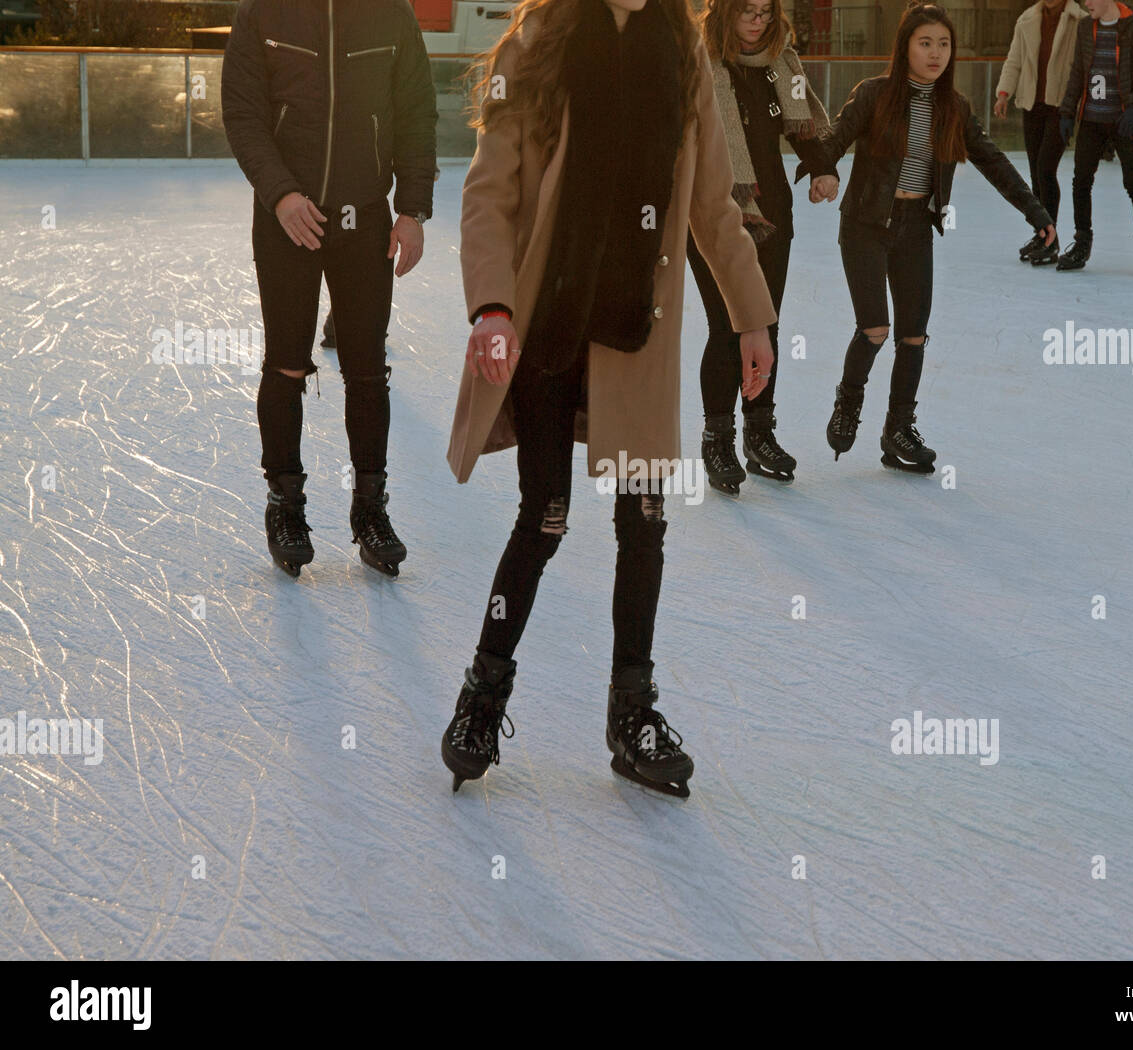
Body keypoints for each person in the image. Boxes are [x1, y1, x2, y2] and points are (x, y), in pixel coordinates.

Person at [441, 0, 778, 799]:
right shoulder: (539, 43)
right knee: (545, 516)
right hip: (549, 320)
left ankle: (633, 715)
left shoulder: (683, 55)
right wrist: (491, 306)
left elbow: (712, 204)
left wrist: (753, 317)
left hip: (636, 330)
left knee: (644, 519)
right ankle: (481, 697)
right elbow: (489, 192)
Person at [222, 0, 438, 578]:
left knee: (367, 368)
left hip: (364, 216)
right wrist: (282, 195)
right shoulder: (264, 13)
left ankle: (370, 507)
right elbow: (244, 115)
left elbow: (417, 110)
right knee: (287, 363)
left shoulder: (391, 12)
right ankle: (285, 505)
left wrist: (413, 208)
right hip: (288, 219)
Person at [812, 3, 1054, 474]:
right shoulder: (874, 94)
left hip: (916, 228)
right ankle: (849, 403)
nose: (935, 52)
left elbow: (993, 161)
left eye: (943, 44)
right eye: (925, 42)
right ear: (904, 47)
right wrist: (824, 170)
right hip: (865, 223)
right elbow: (835, 137)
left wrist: (1035, 211)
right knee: (874, 330)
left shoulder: (954, 108)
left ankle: (898, 429)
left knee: (914, 336)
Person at [688, 0, 838, 495]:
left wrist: (822, 167)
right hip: (713, 214)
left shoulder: (784, 65)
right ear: (723, 13)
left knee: (766, 324)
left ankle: (759, 433)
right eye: (747, 11)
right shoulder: (697, 64)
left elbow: (805, 128)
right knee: (726, 325)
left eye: (766, 12)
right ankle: (717, 438)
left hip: (771, 213)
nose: (757, 21)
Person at [1057, 0, 1133, 274]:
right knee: (1081, 180)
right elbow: (1078, 72)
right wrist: (1067, 111)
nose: (1086, 3)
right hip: (1091, 119)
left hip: (1123, 119)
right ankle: (1082, 242)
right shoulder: (1085, 27)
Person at [994, 0, 1087, 266]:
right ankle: (1042, 233)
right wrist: (1003, 94)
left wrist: (1080, 105)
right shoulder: (1027, 19)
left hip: (1061, 106)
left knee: (1046, 168)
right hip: (1031, 104)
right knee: (1036, 171)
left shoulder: (1078, 21)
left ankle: (1050, 239)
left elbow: (1084, 66)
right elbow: (1015, 60)